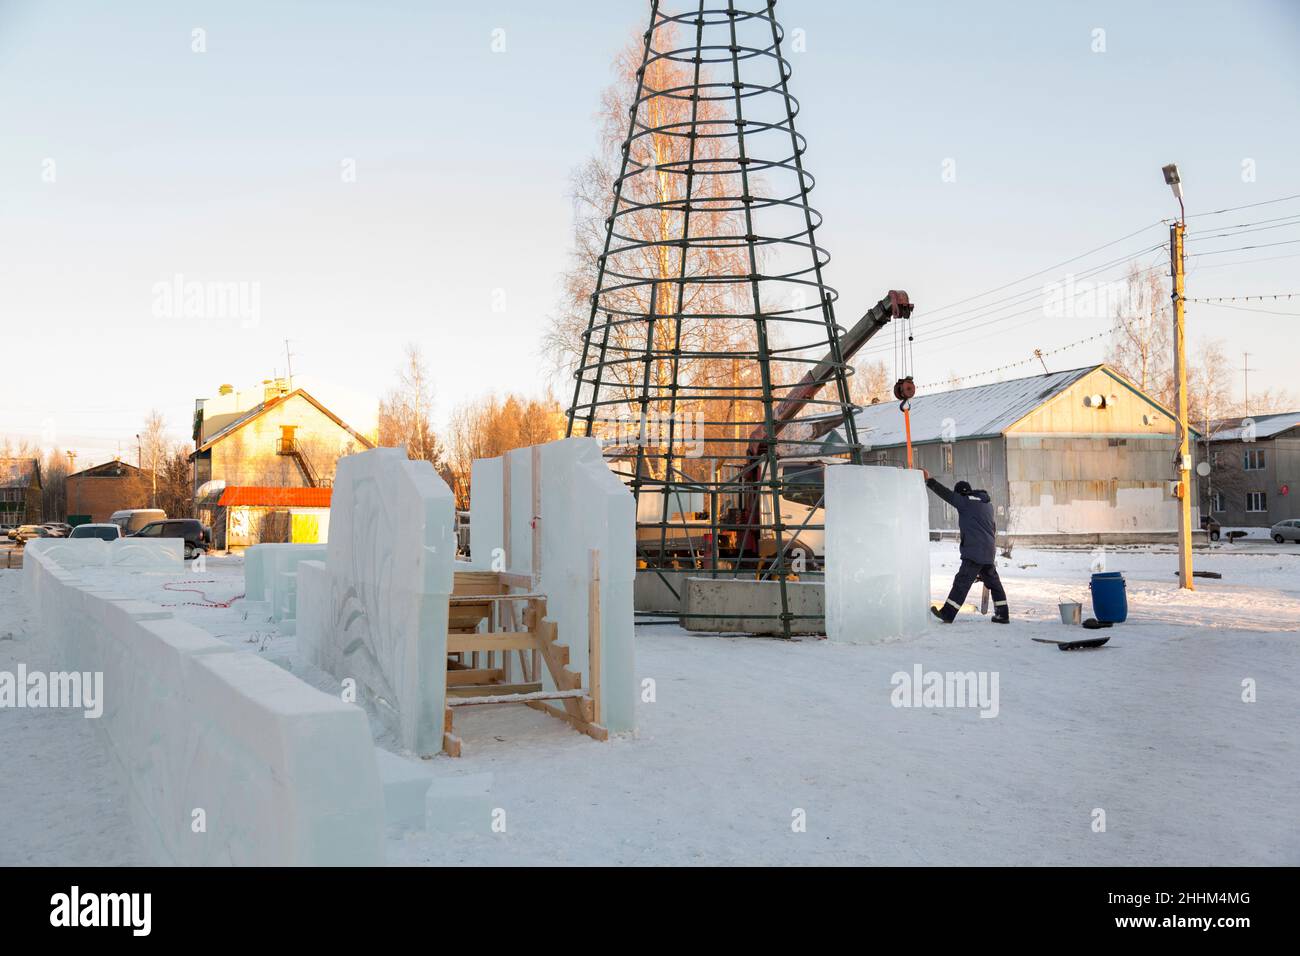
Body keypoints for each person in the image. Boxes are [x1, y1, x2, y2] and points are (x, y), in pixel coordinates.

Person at [922, 469, 1009, 624]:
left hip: (974, 552)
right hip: (988, 551)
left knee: (962, 582)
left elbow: (946, 494)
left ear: (960, 493)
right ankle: (1003, 614)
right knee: (993, 583)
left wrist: (929, 481)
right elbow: (992, 528)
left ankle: (948, 614)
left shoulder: (964, 501)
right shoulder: (986, 504)